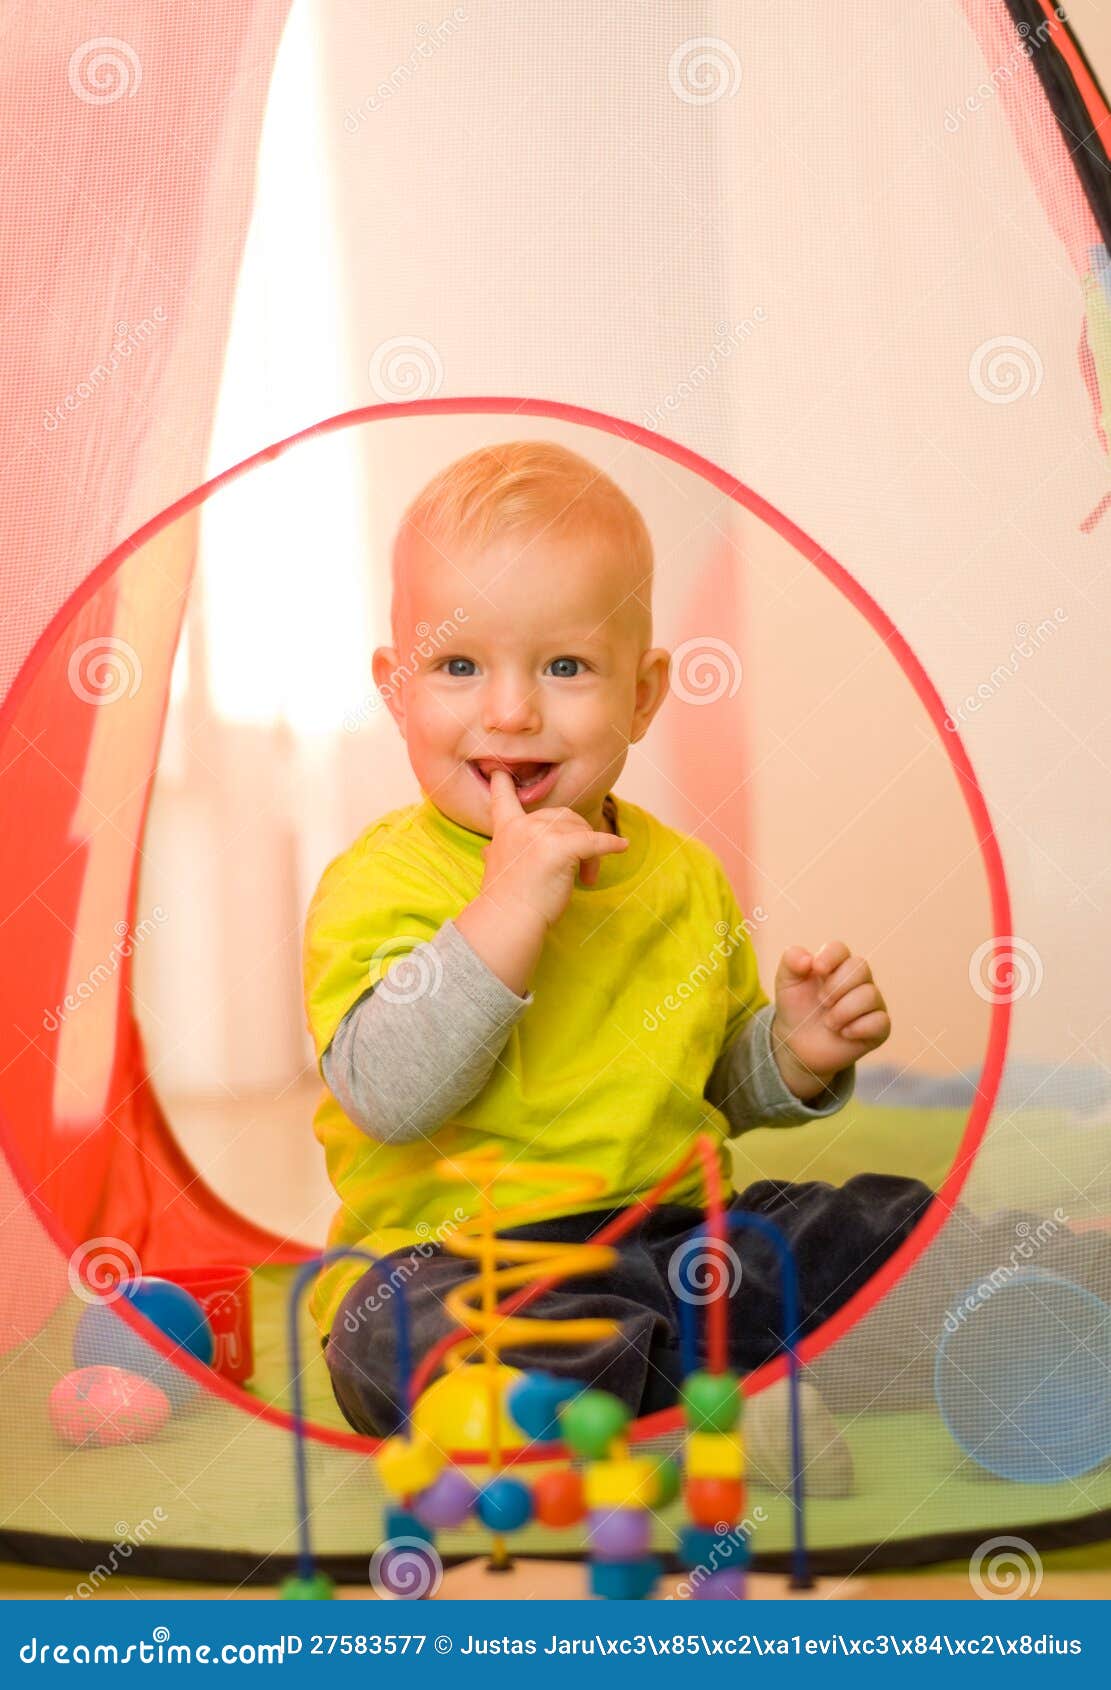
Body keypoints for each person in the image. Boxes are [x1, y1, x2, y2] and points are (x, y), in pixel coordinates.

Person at [302, 439, 894, 1442]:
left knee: (873, 1226)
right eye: (457, 665)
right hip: (467, 1260)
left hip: (677, 1241)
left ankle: (1015, 1304)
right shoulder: (379, 882)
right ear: (397, 688)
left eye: (565, 665)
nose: (511, 709)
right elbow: (388, 1097)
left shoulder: (681, 878)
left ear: (643, 693)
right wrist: (505, 912)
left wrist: (787, 1057)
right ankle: (687, 1400)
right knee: (385, 1331)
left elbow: (700, 1085)